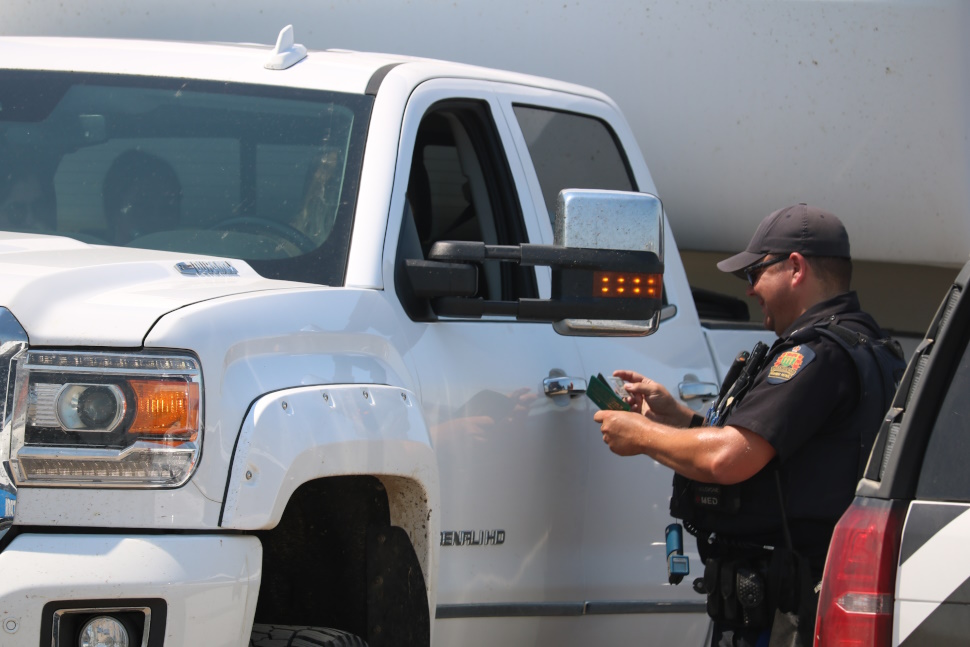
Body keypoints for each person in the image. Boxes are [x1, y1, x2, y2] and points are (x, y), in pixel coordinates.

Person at [594, 204, 904, 646]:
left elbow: (728, 458)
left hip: (785, 612)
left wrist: (640, 436)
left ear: (795, 268)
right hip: (805, 599)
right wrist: (681, 420)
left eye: (754, 273)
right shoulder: (867, 343)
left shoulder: (816, 356)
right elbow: (784, 453)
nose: (751, 290)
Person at [102, 149, 181, 244]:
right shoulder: (89, 258)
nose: (156, 219)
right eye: (143, 207)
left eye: (167, 208)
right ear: (114, 211)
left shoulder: (196, 256)